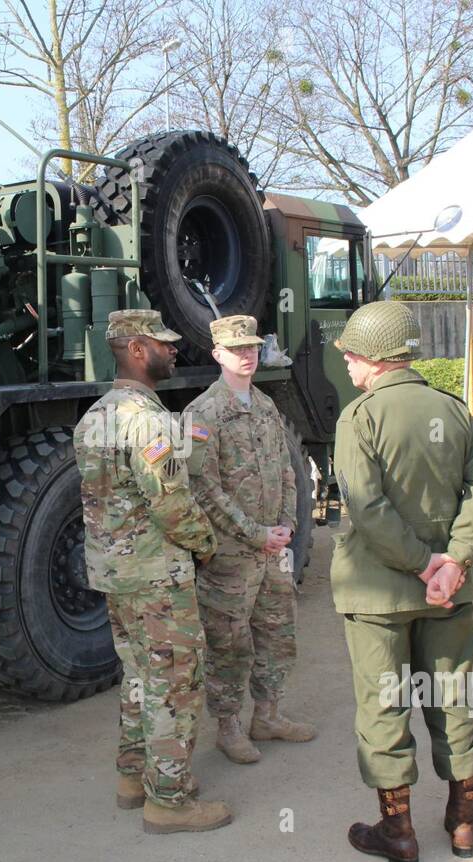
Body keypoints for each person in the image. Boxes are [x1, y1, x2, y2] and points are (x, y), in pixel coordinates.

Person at [331, 301, 473, 862]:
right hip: (448, 593)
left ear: (375, 358)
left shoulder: (359, 419)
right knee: (455, 696)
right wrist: (453, 560)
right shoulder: (453, 412)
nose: (349, 366)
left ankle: (399, 833)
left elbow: (366, 507)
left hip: (377, 592)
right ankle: (462, 821)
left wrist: (417, 562)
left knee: (385, 704)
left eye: (352, 356)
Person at [72, 308, 231, 834]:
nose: (173, 350)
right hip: (157, 577)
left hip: (117, 576)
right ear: (137, 350)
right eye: (162, 344)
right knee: (175, 683)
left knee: (139, 676)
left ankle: (132, 778)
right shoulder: (149, 421)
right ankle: (170, 800)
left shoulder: (93, 416)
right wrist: (206, 544)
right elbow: (170, 505)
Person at [183, 315, 316, 767]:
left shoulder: (265, 406)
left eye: (253, 347)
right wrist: (256, 533)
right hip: (232, 554)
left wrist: (286, 526)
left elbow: (287, 468)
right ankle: (228, 727)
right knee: (229, 642)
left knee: (278, 632)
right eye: (237, 348)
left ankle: (269, 715)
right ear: (217, 354)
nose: (247, 355)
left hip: (274, 548)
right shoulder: (202, 414)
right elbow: (204, 488)